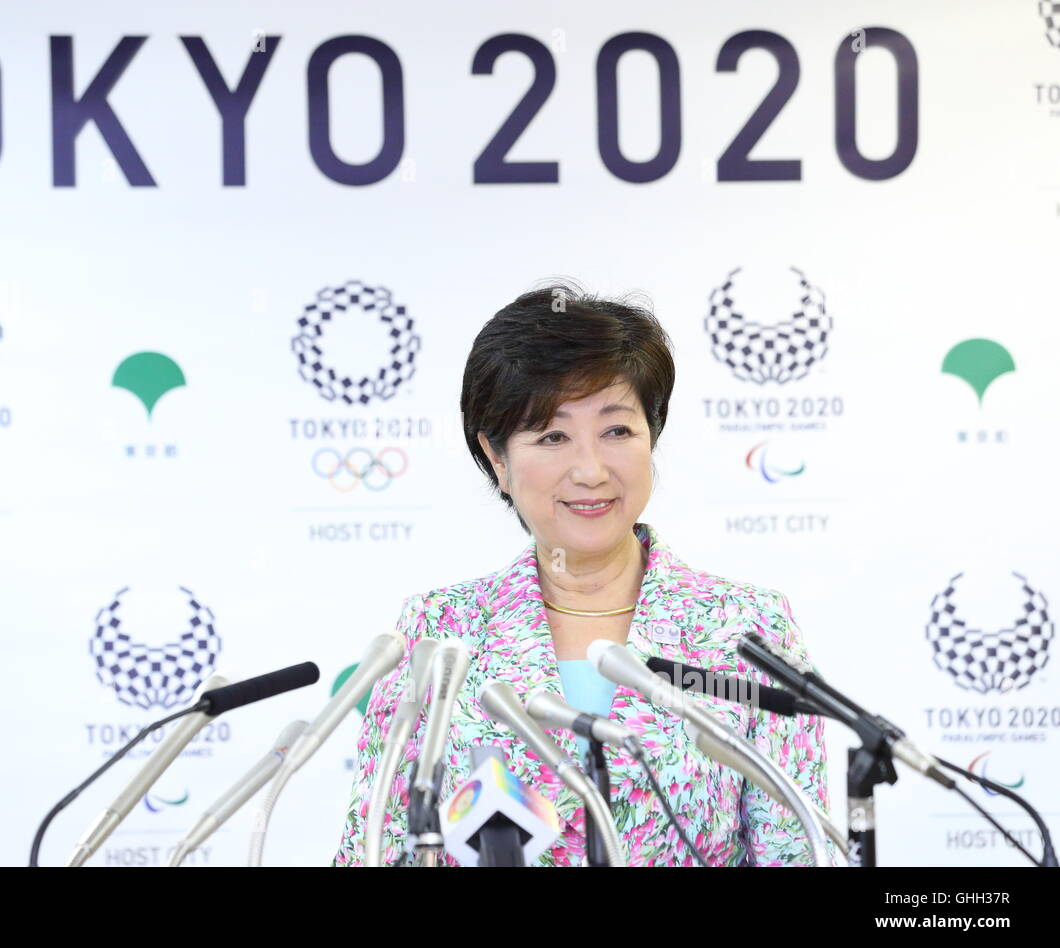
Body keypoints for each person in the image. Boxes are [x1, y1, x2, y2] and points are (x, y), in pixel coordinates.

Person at [332, 282, 833, 866]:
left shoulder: (746, 628)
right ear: (497, 459)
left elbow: (798, 855)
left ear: (652, 437)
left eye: (617, 430)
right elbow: (375, 854)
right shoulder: (441, 633)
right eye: (553, 436)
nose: (591, 470)